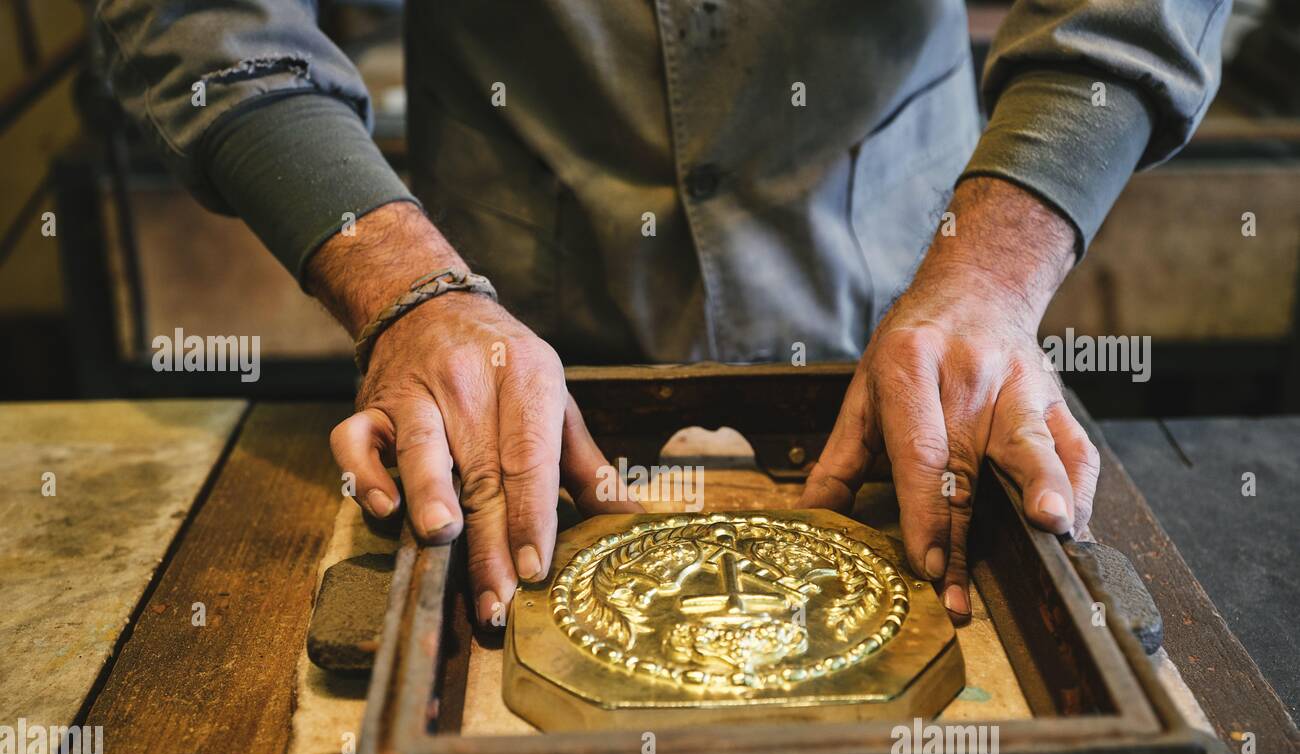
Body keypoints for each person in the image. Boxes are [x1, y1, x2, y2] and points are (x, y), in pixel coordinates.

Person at [96, 0, 1228, 625]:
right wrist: (407, 291)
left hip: (901, 278)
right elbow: (199, 19)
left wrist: (988, 274)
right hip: (509, 308)